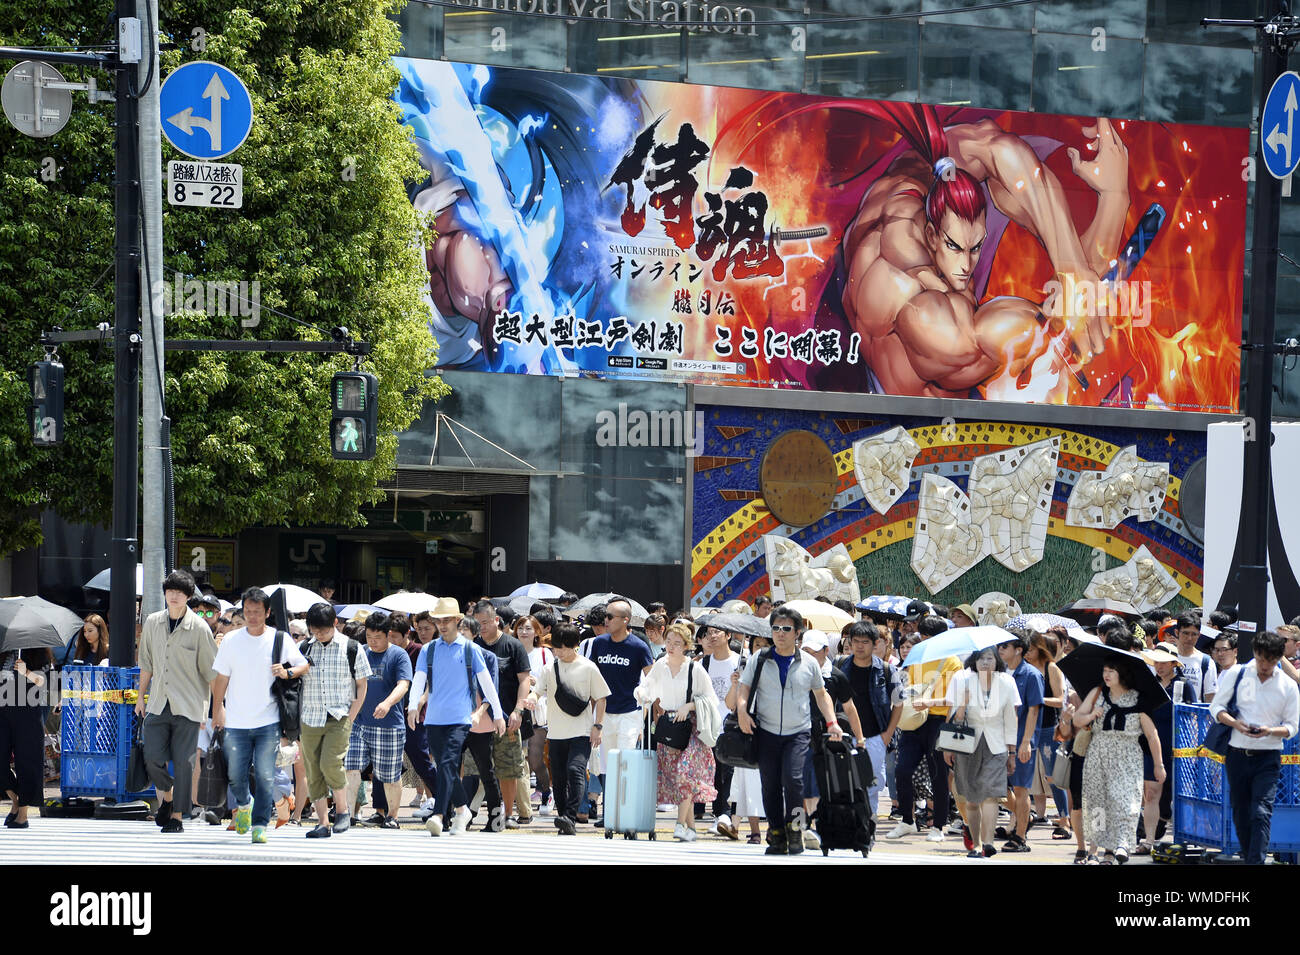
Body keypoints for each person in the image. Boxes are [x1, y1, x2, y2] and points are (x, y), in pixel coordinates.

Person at [736, 607, 844, 855]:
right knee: (770, 785)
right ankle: (776, 833)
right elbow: (744, 689)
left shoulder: (808, 663)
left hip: (798, 732)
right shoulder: (760, 659)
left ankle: (795, 828)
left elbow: (821, 695)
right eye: (775, 628)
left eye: (786, 629)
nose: (780, 633)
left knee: (794, 781)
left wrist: (832, 722)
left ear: (797, 633)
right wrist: (742, 712)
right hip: (766, 731)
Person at [211, 587, 310, 844]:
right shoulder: (231, 640)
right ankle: (244, 804)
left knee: (265, 774)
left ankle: (259, 824)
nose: (252, 616)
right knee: (236, 774)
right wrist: (217, 709)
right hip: (236, 720)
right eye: (247, 612)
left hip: (268, 720)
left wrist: (286, 672)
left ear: (267, 612)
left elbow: (304, 665)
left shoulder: (279, 639)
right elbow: (221, 677)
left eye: (257, 612)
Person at [407, 599, 505, 837]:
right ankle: (462, 809)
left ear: (457, 620)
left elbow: (487, 683)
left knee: (448, 763)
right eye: (438, 620)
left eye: (446, 620)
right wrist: (412, 706)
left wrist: (498, 714)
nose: (441, 624)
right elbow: (419, 678)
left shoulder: (470, 649)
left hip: (461, 717)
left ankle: (439, 815)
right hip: (433, 718)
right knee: (445, 766)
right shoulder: (429, 649)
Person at [135, 570, 218, 834]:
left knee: (184, 762)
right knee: (152, 758)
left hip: (189, 705)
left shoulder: (200, 628)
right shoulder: (152, 622)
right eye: (170, 591)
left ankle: (178, 817)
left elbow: (211, 672)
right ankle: (168, 799)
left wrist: (216, 709)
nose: (174, 596)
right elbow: (146, 662)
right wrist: (140, 697)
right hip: (158, 701)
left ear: (188, 596)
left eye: (180, 592)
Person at [1211, 629, 1300, 864]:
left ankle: (1255, 861)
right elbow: (1216, 707)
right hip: (1236, 754)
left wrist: (1270, 731)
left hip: (1268, 756)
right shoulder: (1238, 674)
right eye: (1261, 659)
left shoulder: (1288, 686)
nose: (1264, 666)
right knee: (1241, 814)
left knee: (1261, 812)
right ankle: (1249, 854)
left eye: (1270, 661)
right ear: (1255, 653)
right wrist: (1235, 724)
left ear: (1279, 658)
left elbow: (1292, 727)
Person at [1073, 658, 1166, 864]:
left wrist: (1159, 765)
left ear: (1122, 674)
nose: (1106, 675)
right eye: (1104, 670)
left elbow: (1152, 735)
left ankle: (1123, 842)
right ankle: (1096, 852)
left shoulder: (1138, 699)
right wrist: (1091, 716)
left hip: (1127, 755)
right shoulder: (1097, 693)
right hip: (1099, 753)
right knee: (1098, 804)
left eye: (1111, 671)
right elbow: (1077, 720)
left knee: (1126, 800)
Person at [638, 622, 721, 841]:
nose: (671, 647)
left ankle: (679, 823)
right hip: (669, 726)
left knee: (685, 775)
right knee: (680, 778)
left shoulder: (695, 668)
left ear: (686, 645)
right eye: (668, 642)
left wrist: (689, 706)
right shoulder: (660, 664)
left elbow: (711, 699)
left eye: (677, 643)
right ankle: (691, 828)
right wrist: (641, 693)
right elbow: (647, 686)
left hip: (691, 727)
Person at [298, 602, 369, 838]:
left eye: (323, 631)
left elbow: (361, 684)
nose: (318, 635)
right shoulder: (304, 648)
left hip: (339, 715)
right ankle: (322, 822)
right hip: (309, 716)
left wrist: (352, 716)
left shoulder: (351, 647)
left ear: (335, 624)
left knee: (330, 763)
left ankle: (342, 811)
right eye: (315, 631)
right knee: (313, 769)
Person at [531, 623, 609, 835]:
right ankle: (565, 818)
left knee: (575, 770)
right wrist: (530, 698)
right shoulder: (550, 668)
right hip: (555, 732)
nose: (558, 652)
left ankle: (570, 815)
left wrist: (598, 726)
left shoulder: (588, 667)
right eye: (556, 648)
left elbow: (601, 698)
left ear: (574, 645)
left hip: (581, 731)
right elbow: (537, 691)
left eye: (562, 648)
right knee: (558, 777)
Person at [943, 648, 1020, 858]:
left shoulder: (1006, 682)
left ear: (997, 661)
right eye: (981, 659)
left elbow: (1011, 719)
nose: (985, 663)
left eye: (989, 658)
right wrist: (963, 705)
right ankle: (975, 844)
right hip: (968, 745)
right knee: (971, 799)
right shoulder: (963, 680)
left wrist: (1012, 751)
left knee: (991, 795)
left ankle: (988, 842)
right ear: (974, 662)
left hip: (997, 745)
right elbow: (954, 718)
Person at [888, 613, 958, 841]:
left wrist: (929, 702)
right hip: (914, 719)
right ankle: (908, 822)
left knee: (938, 774)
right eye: (922, 635)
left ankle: (939, 825)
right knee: (902, 770)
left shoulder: (953, 661)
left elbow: (956, 700)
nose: (923, 639)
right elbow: (908, 684)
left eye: (926, 635)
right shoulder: (916, 656)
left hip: (939, 720)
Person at [583, 597, 654, 824]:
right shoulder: (599, 643)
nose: (606, 620)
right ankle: (610, 814)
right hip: (604, 714)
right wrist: (591, 718)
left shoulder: (639, 646)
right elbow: (592, 680)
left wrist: (646, 711)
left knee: (625, 763)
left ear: (625, 620)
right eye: (606, 616)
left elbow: (652, 678)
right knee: (606, 766)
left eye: (610, 617)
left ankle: (625, 813)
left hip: (629, 713)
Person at [799, 629, 865, 849]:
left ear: (826, 651)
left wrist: (860, 737)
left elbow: (850, 708)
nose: (809, 656)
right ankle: (802, 827)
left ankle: (816, 829)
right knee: (799, 783)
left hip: (826, 739)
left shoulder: (835, 675)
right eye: (805, 651)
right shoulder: (795, 671)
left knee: (819, 785)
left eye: (814, 651)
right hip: (798, 735)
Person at [472, 600, 532, 828]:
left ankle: (507, 814)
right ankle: (471, 812)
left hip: (507, 718)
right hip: (477, 720)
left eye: (485, 622)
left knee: (508, 768)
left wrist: (519, 709)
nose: (482, 628)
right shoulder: (472, 646)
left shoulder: (512, 646)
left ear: (496, 620)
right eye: (477, 624)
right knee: (474, 769)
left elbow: (524, 679)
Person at [837, 621, 902, 825]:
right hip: (845, 737)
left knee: (872, 785)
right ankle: (848, 824)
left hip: (875, 736)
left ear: (875, 644)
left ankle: (868, 824)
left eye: (864, 642)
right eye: (855, 641)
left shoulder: (886, 670)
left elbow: (899, 704)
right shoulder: (839, 666)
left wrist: (888, 735)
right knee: (843, 782)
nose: (859, 646)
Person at [1135, 644, 1194, 854]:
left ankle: (1181, 838)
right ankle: (1148, 840)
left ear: (1173, 663)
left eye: (1163, 662)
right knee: (1151, 793)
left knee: (1178, 795)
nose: (1159, 666)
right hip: (1151, 745)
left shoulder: (1184, 685)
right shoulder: (1150, 685)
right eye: (1156, 662)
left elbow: (1192, 715)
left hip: (1178, 746)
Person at [997, 631, 1043, 853]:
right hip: (997, 738)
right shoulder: (998, 673)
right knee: (993, 787)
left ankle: (1020, 836)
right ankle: (1026, 817)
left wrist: (1025, 742)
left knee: (1021, 788)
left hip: (1021, 739)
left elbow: (1033, 711)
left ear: (1019, 650)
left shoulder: (1031, 675)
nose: (1000, 650)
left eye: (1005, 646)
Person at [1025, 630, 1070, 839]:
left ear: (1040, 649)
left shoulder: (1051, 668)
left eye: (1031, 649)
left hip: (1047, 728)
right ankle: (1022, 819)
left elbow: (1061, 700)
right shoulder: (1024, 668)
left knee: (1053, 777)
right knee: (1023, 775)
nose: (1027, 653)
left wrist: (1037, 700)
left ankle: (1065, 820)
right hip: (1027, 726)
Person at [0, 647, 52, 828]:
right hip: (3, 712)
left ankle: (22, 814)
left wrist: (26, 672)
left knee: (27, 763)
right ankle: (15, 799)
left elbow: (45, 683)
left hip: (28, 713)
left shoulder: (41, 655)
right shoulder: (4, 651)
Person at [700, 624, 742, 839]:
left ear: (728, 635)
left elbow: (738, 701)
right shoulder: (704, 662)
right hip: (709, 725)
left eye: (717, 632)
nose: (712, 636)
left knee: (729, 771)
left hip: (732, 724)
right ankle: (720, 814)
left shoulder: (739, 661)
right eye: (709, 633)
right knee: (715, 771)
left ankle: (726, 814)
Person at [515, 614, 553, 816]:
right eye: (520, 628)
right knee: (517, 759)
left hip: (538, 709)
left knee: (535, 758)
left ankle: (547, 791)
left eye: (528, 628)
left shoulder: (545, 654)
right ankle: (516, 799)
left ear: (537, 632)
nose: (524, 632)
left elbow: (552, 681)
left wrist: (534, 682)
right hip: (516, 708)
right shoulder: (512, 650)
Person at [1172, 612, 1217, 703]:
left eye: (1194, 634)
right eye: (1186, 633)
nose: (1189, 638)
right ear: (1177, 632)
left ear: (1199, 635)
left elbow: (1210, 696)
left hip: (1194, 714)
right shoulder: (1166, 657)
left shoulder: (1206, 662)